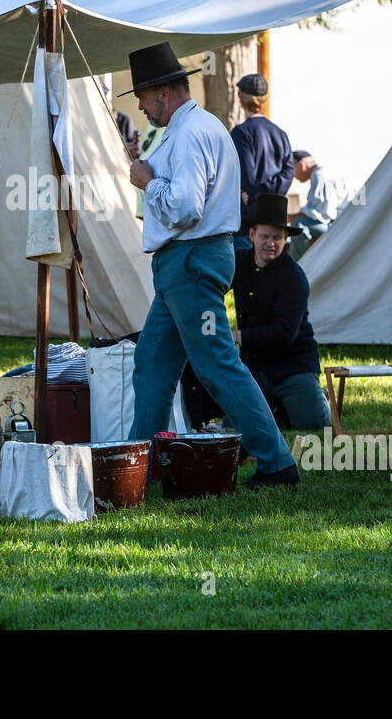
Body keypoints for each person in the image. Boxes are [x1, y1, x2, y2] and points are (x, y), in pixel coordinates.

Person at [124, 41, 299, 489]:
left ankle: (277, 462)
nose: (141, 107)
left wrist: (148, 181)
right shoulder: (200, 128)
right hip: (185, 264)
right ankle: (137, 469)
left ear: (163, 92)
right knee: (152, 363)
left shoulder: (187, 134)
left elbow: (185, 207)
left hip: (191, 261)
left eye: (141, 97)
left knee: (217, 364)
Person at [183, 194, 332, 430]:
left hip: (292, 366)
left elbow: (284, 334)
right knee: (235, 424)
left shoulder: (294, 278)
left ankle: (318, 398)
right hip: (254, 366)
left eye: (277, 238)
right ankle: (272, 406)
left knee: (310, 423)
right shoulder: (239, 262)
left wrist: (237, 336)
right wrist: (207, 323)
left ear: (286, 240)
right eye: (264, 236)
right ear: (252, 235)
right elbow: (210, 288)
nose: (270, 243)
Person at [229, 72, 293, 253]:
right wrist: (271, 195)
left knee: (245, 277)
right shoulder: (280, 133)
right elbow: (288, 173)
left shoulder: (241, 133)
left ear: (241, 99)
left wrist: (254, 193)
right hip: (274, 219)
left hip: (249, 223)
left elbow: (247, 178)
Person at [288, 150, 352, 260]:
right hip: (345, 220)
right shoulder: (324, 172)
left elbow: (322, 215)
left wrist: (292, 216)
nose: (294, 177)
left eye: (292, 171)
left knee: (298, 225)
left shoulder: (320, 175)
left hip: (339, 224)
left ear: (301, 165)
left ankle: (302, 266)